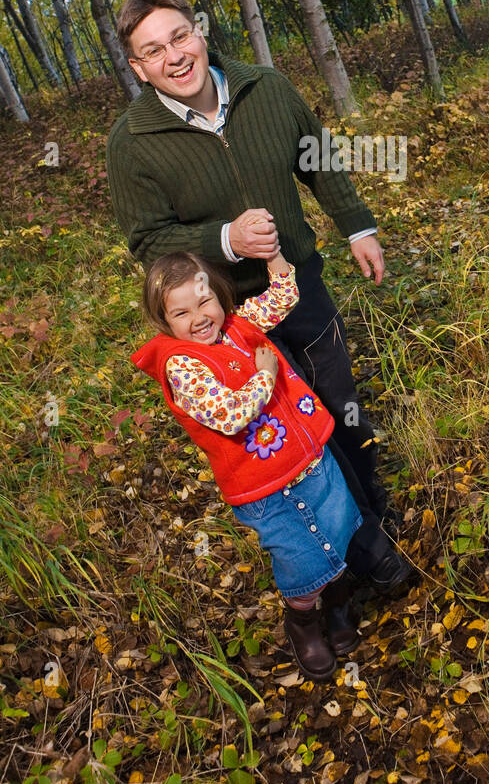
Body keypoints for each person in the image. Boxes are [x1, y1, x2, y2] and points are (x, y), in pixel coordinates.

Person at [106, 0, 414, 594]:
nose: (174, 56)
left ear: (200, 33)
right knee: (275, 441)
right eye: (153, 51)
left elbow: (317, 157)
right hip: (218, 325)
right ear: (139, 68)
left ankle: (372, 523)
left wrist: (357, 225)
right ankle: (340, 565)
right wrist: (225, 240)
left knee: (337, 409)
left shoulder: (265, 88)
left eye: (179, 36)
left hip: (297, 288)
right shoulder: (131, 144)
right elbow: (148, 241)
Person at [131, 246, 361, 682]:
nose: (199, 317)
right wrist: (266, 375)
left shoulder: (237, 325)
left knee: (339, 524)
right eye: (181, 313)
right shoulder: (183, 365)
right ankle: (303, 622)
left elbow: (281, 298)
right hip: (266, 488)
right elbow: (232, 414)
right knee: (302, 561)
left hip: (310, 458)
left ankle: (337, 604)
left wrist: (275, 257)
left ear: (219, 295)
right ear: (165, 322)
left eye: (204, 302)